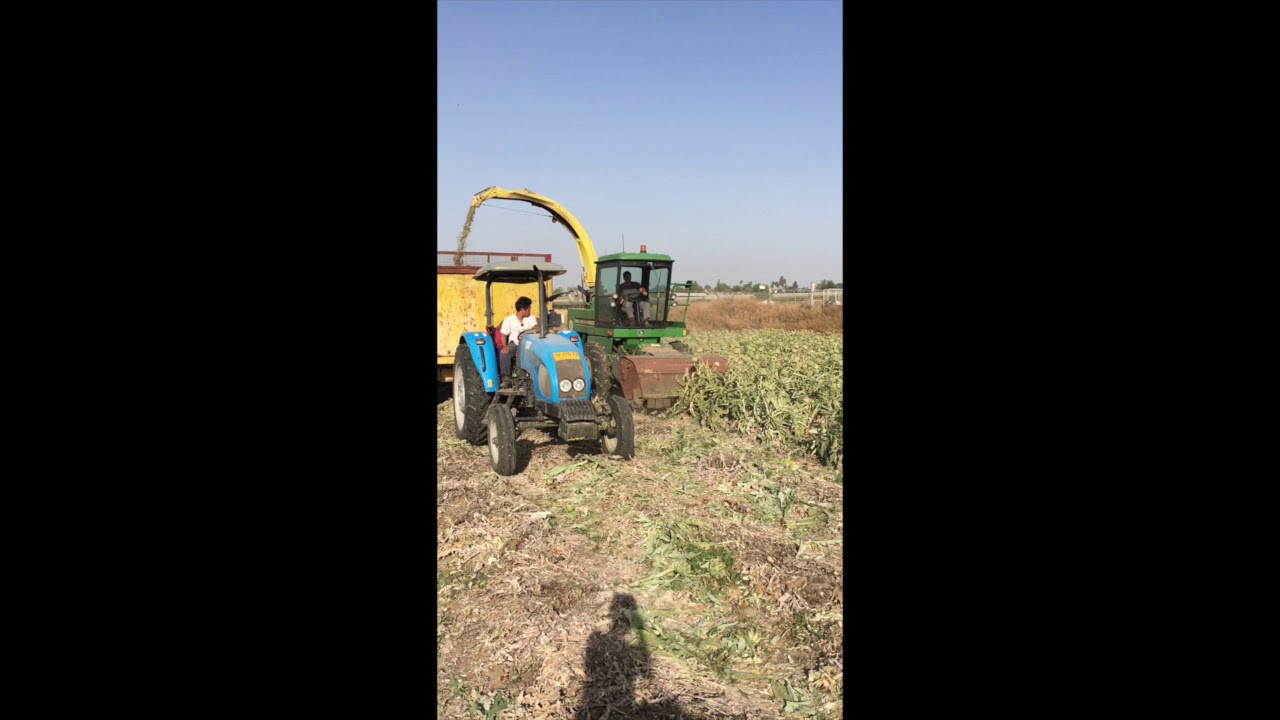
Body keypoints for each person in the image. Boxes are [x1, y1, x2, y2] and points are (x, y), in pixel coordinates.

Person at [498, 296, 537, 383]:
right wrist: (504, 346)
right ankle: (506, 378)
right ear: (523, 310)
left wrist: (537, 327)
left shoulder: (531, 318)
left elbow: (536, 327)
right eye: (529, 309)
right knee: (503, 354)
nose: (530, 311)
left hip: (528, 345)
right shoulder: (509, 320)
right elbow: (503, 335)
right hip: (515, 344)